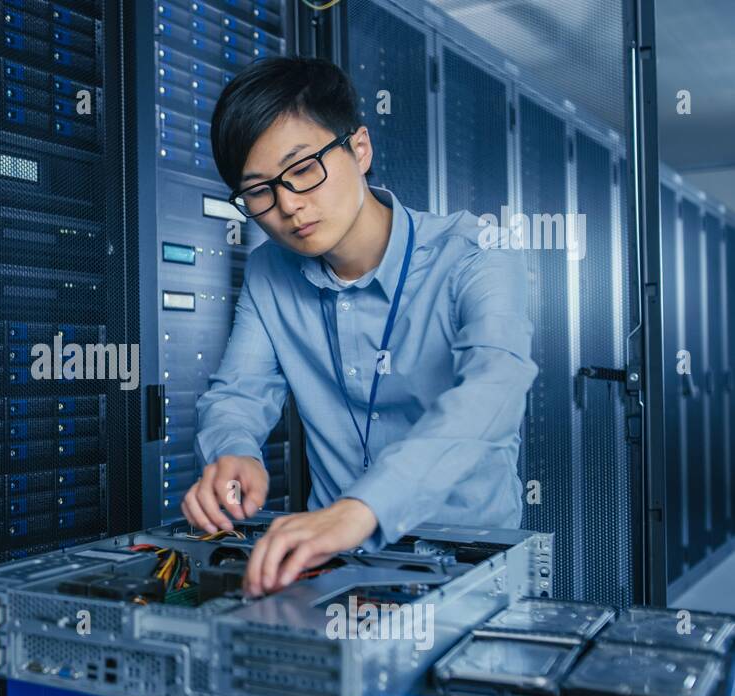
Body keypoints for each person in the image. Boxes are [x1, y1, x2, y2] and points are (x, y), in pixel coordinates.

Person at [184, 56, 537, 597]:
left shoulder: (477, 254)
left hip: (470, 567)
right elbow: (239, 392)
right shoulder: (268, 272)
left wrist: (363, 507)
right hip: (335, 569)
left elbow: (495, 388)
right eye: (259, 192)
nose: (289, 206)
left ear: (360, 148)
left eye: (303, 169)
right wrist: (233, 451)